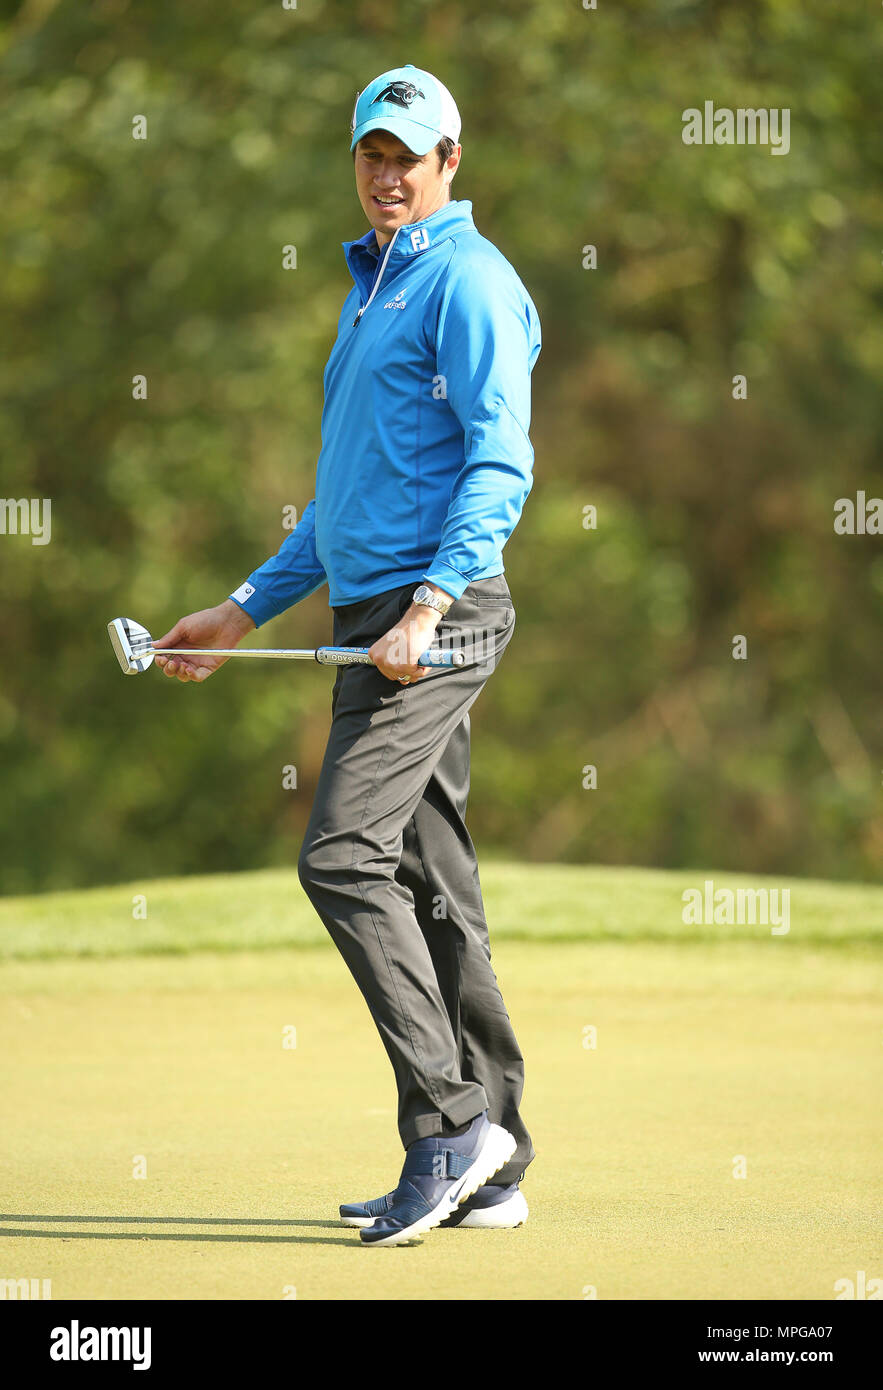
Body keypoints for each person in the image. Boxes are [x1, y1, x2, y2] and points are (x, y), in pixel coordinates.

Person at [154, 64, 541, 1247]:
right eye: (370, 155)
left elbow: (500, 461)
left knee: (338, 856)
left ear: (449, 164)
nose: (386, 174)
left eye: (406, 156)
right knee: (431, 878)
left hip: (436, 613)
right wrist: (242, 608)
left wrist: (424, 608)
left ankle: (446, 1129)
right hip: (372, 614)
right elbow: (341, 496)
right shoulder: (371, 287)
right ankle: (501, 1151)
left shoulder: (468, 281)